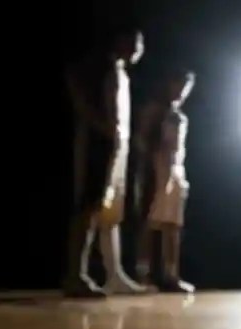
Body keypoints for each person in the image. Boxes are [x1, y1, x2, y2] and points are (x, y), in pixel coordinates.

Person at [64, 21, 148, 297]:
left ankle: (114, 274)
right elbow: (76, 85)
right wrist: (100, 126)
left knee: (109, 211)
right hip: (98, 144)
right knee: (88, 208)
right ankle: (77, 274)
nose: (138, 49)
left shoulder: (120, 72)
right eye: (134, 42)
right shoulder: (99, 67)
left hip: (115, 147)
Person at [133, 69, 196, 293]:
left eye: (186, 87)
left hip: (176, 170)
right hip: (157, 169)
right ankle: (143, 274)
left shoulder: (178, 115)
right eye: (178, 84)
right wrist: (154, 169)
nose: (181, 91)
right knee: (150, 223)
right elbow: (143, 141)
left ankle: (171, 275)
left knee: (173, 226)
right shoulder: (154, 110)